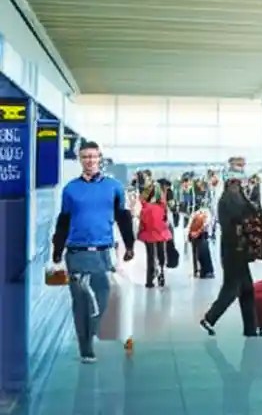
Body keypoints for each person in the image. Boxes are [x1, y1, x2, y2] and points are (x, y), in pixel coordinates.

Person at [51, 141, 136, 363]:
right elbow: (64, 221)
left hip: (102, 252)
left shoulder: (114, 187)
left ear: (100, 159)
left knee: (102, 295)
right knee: (81, 300)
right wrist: (57, 251)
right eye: (85, 157)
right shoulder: (70, 189)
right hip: (76, 253)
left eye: (93, 156)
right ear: (80, 160)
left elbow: (123, 217)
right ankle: (86, 347)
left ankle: (91, 332)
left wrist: (129, 245)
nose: (89, 161)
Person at [198, 178, 262, 338]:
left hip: (234, 252)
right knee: (231, 289)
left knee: (247, 289)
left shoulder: (228, 200)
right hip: (234, 252)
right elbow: (245, 213)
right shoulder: (231, 203)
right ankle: (209, 318)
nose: (239, 189)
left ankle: (251, 328)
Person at [137, 182, 173, 289]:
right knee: (161, 252)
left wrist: (139, 231)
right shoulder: (162, 206)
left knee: (150, 256)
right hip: (161, 233)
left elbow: (142, 223)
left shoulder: (144, 208)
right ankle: (161, 271)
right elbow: (165, 220)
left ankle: (149, 280)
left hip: (148, 234)